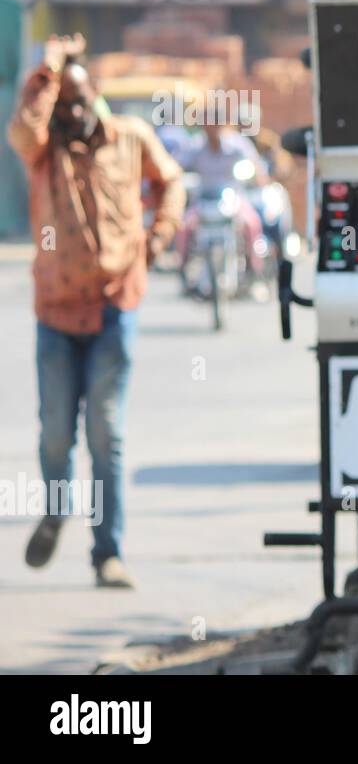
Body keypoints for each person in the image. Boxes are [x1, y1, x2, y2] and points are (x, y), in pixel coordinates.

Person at [8, 34, 185, 589]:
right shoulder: (42, 153)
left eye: (79, 101)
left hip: (113, 308)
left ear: (96, 97)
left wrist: (156, 241)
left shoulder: (130, 139)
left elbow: (171, 182)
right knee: (57, 434)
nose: (73, 113)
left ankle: (108, 552)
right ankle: (57, 511)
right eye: (63, 105)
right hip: (57, 313)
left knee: (106, 434)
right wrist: (50, 68)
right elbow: (23, 125)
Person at [174, 120, 269, 283]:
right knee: (184, 227)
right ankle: (182, 268)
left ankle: (255, 269)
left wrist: (256, 176)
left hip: (234, 201)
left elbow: (257, 167)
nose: (213, 128)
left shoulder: (238, 145)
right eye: (209, 124)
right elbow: (176, 166)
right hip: (204, 202)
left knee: (252, 224)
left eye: (217, 123)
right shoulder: (195, 146)